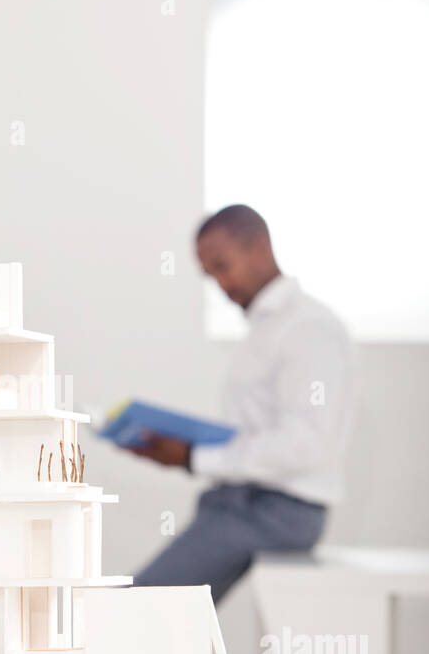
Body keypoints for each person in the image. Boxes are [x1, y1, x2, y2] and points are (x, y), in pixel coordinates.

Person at [132, 204, 353, 602]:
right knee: (156, 607)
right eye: (210, 275)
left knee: (140, 602)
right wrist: (187, 450)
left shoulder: (309, 327)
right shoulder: (267, 328)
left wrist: (193, 457)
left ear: (260, 247)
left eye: (222, 266)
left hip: (274, 510)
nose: (220, 284)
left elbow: (307, 443)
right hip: (238, 503)